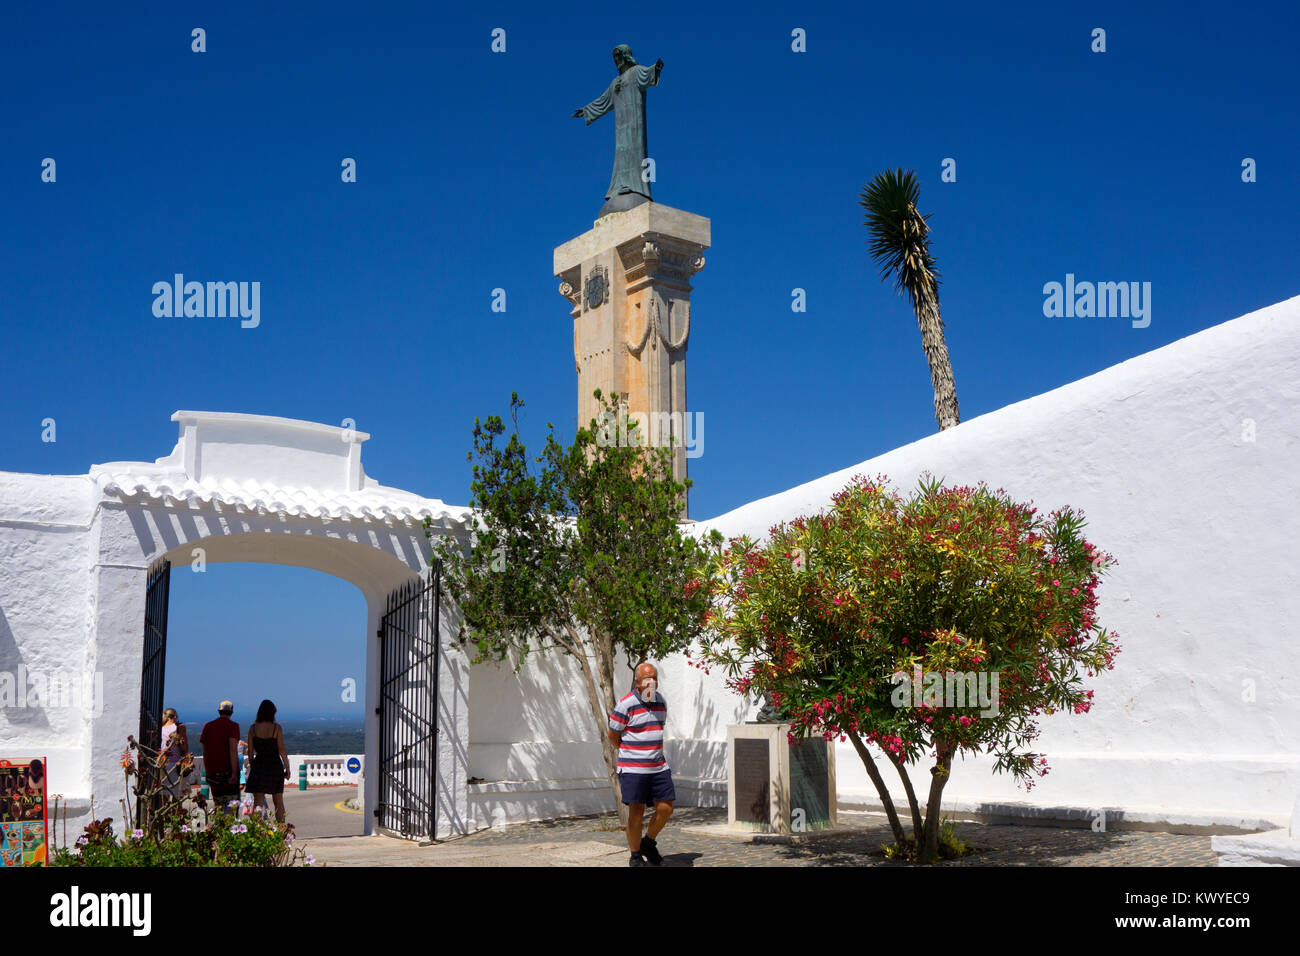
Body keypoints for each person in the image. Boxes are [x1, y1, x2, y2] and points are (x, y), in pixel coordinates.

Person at [607, 661, 674, 867]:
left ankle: (648, 842)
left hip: (658, 767)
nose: (651, 681)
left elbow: (657, 729)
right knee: (636, 813)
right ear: (637, 682)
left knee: (666, 808)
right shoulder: (626, 704)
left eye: (654, 677)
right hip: (633, 769)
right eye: (647, 678)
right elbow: (613, 735)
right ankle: (635, 856)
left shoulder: (661, 702)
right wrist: (631, 754)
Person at [246, 700, 290, 824]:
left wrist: (253, 765)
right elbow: (282, 749)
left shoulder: (253, 728)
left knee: (258, 802)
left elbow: (250, 752)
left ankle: (257, 832)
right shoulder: (277, 728)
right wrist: (287, 768)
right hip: (274, 765)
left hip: (259, 764)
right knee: (278, 801)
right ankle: (281, 831)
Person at [199, 700, 242, 808]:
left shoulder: (208, 726)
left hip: (213, 773)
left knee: (218, 804)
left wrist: (208, 771)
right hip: (228, 773)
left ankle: (219, 824)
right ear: (231, 712)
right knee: (231, 806)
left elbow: (205, 751)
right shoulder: (233, 726)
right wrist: (233, 773)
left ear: (219, 711)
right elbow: (233, 750)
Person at [159, 709, 189, 796]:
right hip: (176, 766)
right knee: (178, 798)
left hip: (162, 764)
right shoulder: (179, 727)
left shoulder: (160, 728)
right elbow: (185, 749)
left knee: (163, 797)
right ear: (175, 716)